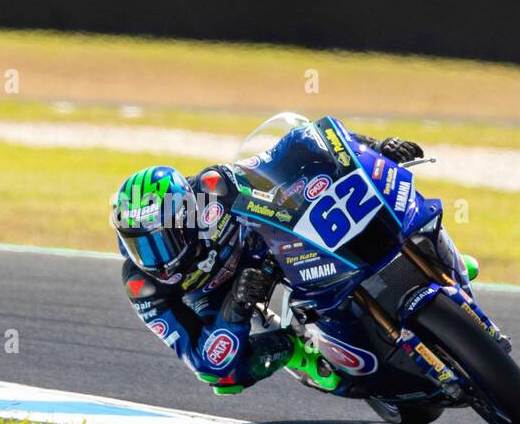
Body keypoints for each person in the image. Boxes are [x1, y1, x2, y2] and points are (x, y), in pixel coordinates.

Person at [110, 133, 423, 394]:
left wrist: (373, 150)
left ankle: (419, 259)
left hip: (266, 246)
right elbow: (200, 359)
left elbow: (291, 148)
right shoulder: (142, 284)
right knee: (222, 376)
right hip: (219, 299)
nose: (155, 257)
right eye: (141, 246)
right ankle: (299, 352)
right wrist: (236, 305)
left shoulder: (214, 186)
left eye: (163, 240)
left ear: (187, 216)